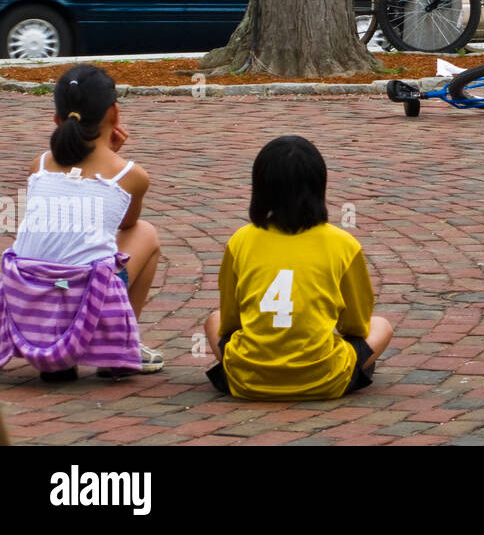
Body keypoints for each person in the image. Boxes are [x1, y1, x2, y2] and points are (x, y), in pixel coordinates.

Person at [0, 64, 163, 381]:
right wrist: (113, 156)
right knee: (146, 233)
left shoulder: (41, 164)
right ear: (114, 113)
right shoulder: (129, 175)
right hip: (85, 303)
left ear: (57, 119)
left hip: (27, 307)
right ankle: (118, 348)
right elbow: (127, 223)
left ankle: (63, 352)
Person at [204, 136, 393, 400]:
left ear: (259, 187)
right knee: (381, 325)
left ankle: (250, 368)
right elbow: (355, 326)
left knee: (213, 318)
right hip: (325, 379)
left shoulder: (241, 240)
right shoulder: (344, 244)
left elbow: (230, 322)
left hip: (247, 381)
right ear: (320, 187)